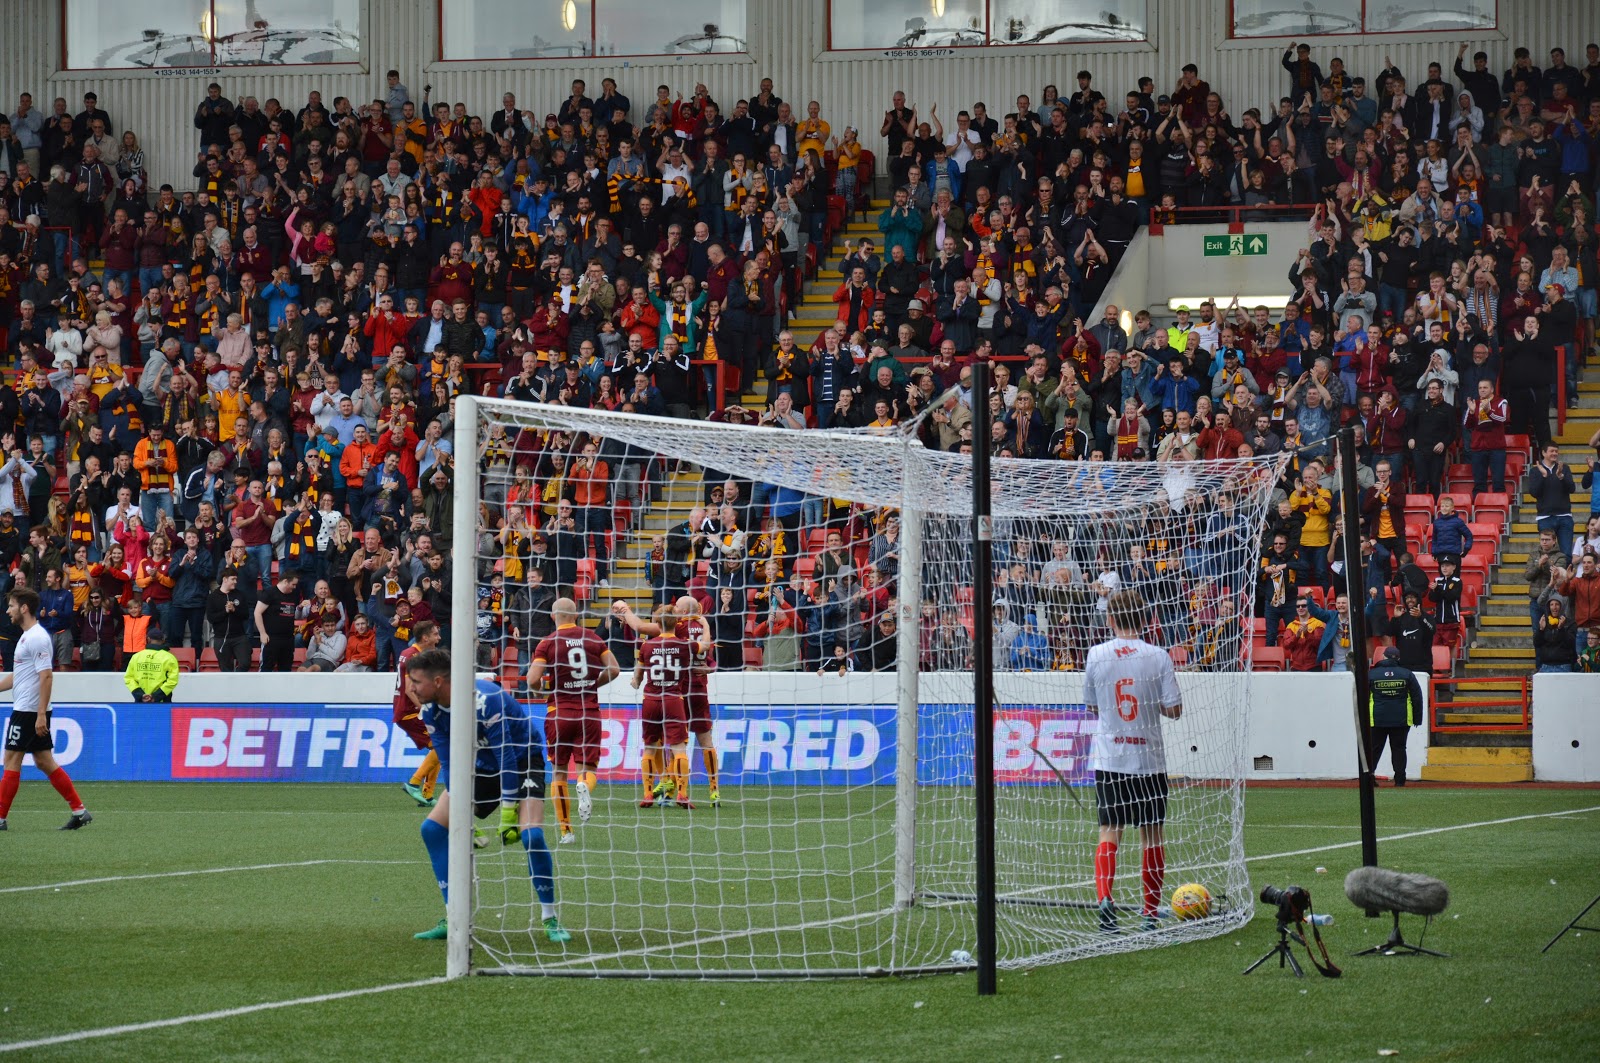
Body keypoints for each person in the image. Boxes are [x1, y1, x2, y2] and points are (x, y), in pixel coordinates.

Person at [406, 647, 569, 944]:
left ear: (438, 681)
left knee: (532, 837)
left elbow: (506, 756)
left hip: (523, 760)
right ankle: (453, 916)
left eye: (416, 682)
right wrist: (462, 813)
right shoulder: (430, 711)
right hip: (480, 767)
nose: (412, 689)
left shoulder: (486, 699)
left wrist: (508, 811)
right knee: (432, 829)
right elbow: (449, 762)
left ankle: (550, 917)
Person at [1085, 589, 1182, 934]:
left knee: (1109, 830)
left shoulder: (1096, 654)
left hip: (1110, 759)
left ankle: (1105, 900)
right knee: (1151, 834)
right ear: (1145, 619)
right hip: (1147, 761)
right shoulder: (1158, 656)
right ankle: (1149, 913)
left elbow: (1092, 706)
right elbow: (1175, 710)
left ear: (1110, 619)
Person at [527, 597, 620, 843]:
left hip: (559, 713)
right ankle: (584, 786)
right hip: (588, 712)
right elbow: (614, 669)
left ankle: (566, 831)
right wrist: (593, 684)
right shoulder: (594, 638)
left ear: (552, 616)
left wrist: (540, 690)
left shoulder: (547, 642)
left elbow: (532, 679)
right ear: (576, 614)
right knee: (586, 770)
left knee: (558, 772)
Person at [0, 587, 90, 831]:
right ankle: (79, 811)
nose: (8, 611)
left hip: (29, 710)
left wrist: (41, 714)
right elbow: (19, 676)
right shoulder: (28, 636)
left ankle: (0, 818)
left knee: (11, 759)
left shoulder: (37, 637)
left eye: (11, 606)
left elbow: (47, 676)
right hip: (30, 709)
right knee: (43, 761)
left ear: (24, 608)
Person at [632, 605, 703, 809]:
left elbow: (638, 676)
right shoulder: (685, 644)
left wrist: (636, 681)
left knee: (649, 747)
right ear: (676, 623)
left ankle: (647, 794)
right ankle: (682, 793)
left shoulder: (647, 646)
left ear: (657, 623)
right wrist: (705, 626)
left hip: (651, 700)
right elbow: (705, 645)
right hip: (673, 699)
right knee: (679, 748)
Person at [396, 620, 443, 808]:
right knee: (442, 745)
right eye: (435, 634)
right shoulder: (413, 656)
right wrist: (426, 708)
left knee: (440, 747)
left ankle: (427, 795)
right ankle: (414, 783)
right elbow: (409, 689)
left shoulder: (410, 653)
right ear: (425, 638)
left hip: (407, 710)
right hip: (410, 712)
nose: (439, 638)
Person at [1366, 647, 1425, 787]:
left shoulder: (1371, 674)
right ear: (1398, 658)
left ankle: (1368, 779)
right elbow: (1417, 698)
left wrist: (1363, 720)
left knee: (1374, 749)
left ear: (1384, 657)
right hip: (1401, 719)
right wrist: (1417, 719)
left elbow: (1362, 697)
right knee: (1399, 749)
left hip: (1377, 718)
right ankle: (1400, 780)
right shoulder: (1407, 674)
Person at [254, 571, 299, 672]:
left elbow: (294, 614)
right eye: (293, 584)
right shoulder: (269, 593)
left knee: (286, 670)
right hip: (271, 638)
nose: (294, 587)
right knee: (266, 668)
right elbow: (257, 613)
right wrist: (262, 633)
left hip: (288, 639)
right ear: (286, 581)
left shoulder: (293, 595)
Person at [123, 631, 180, 702]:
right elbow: (172, 681)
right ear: (163, 640)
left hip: (141, 701)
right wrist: (156, 696)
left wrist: (140, 695)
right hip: (162, 701)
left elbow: (129, 678)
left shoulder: (136, 656)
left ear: (148, 639)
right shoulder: (169, 657)